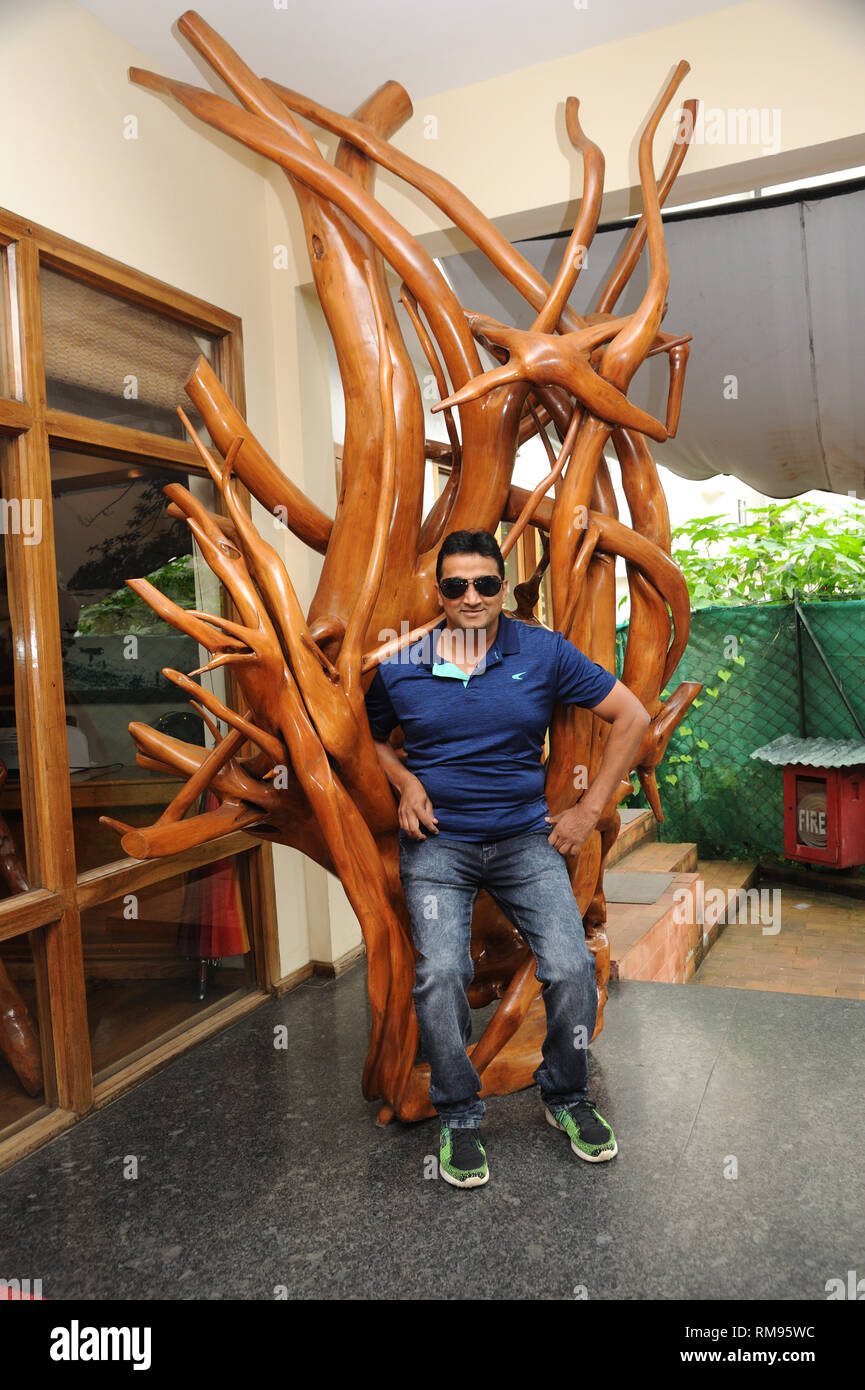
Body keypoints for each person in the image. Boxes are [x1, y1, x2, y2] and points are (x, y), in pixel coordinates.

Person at [364, 529, 650, 1189]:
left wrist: (589, 811)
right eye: (456, 585)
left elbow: (632, 717)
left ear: (500, 586)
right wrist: (404, 782)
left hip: (524, 841)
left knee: (572, 966)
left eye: (485, 583)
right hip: (439, 845)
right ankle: (459, 1113)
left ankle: (566, 1094)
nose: (471, 596)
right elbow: (369, 737)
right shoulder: (402, 661)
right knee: (441, 973)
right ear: (439, 592)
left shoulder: (542, 651)